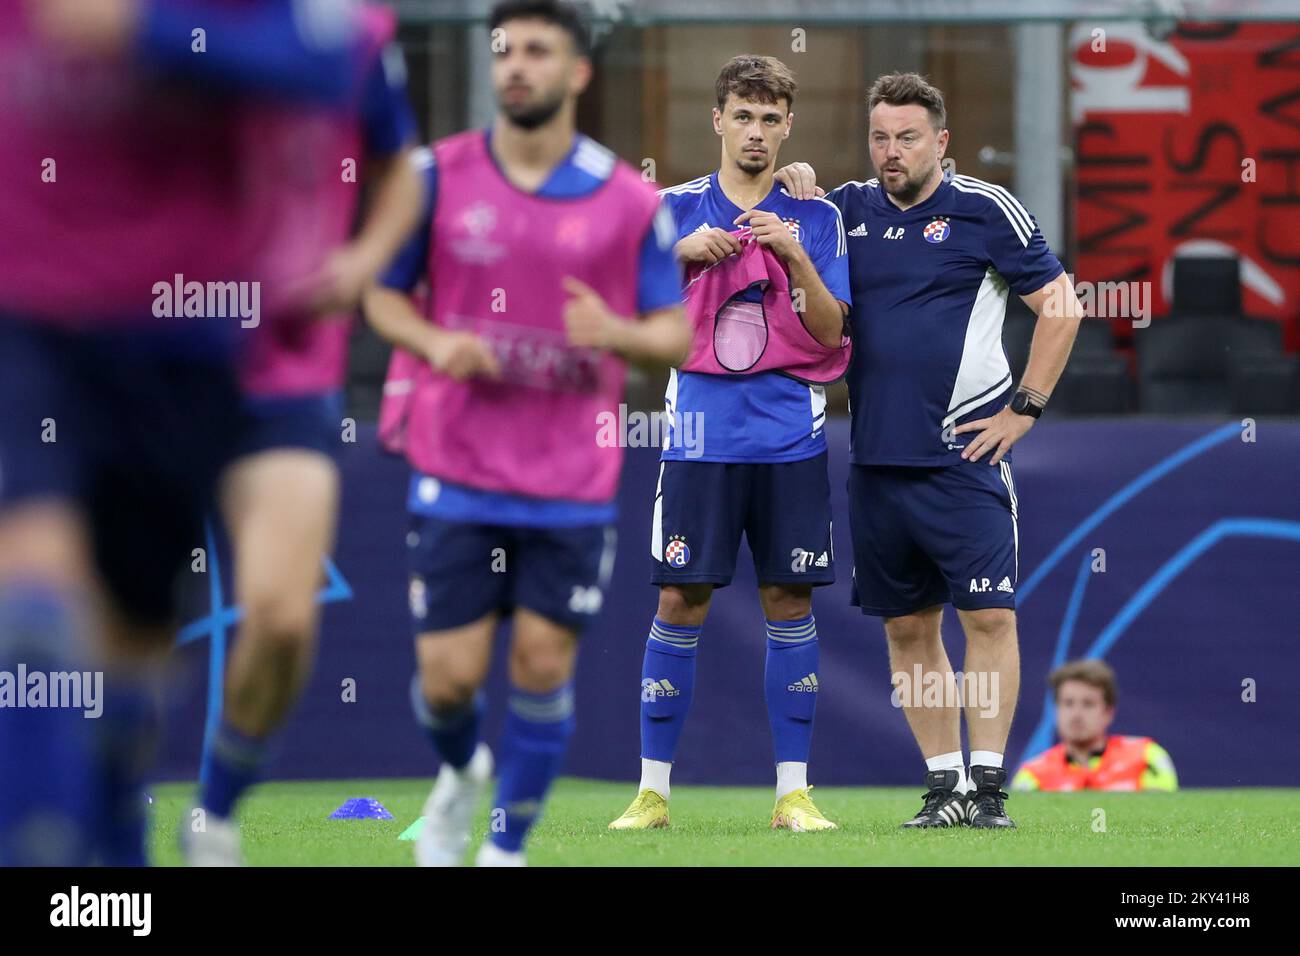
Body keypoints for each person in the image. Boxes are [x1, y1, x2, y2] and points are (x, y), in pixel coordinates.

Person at [0, 0, 361, 866]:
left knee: (129, 651)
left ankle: (117, 853)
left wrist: (142, 30)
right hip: (29, 320)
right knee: (35, 589)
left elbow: (324, 65)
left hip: (180, 338)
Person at [363, 0, 690, 866]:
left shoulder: (628, 201)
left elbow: (674, 335)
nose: (516, 65)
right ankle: (461, 769)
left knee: (542, 666)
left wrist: (615, 332)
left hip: (569, 482)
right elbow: (381, 295)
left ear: (577, 72)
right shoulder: (437, 176)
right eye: (505, 49)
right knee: (448, 683)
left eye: (539, 50)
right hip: (458, 469)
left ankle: (504, 850)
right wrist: (434, 342)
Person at [776, 71, 1084, 828]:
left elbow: (1062, 306)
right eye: (879, 137)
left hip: (964, 457)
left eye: (908, 138)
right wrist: (793, 180)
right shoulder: (846, 210)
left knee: (990, 617)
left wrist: (1025, 409)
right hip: (875, 461)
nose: (891, 151)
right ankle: (945, 787)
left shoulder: (985, 209)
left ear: (941, 142)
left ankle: (990, 789)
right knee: (908, 627)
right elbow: (777, 224)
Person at [182, 2, 426, 865]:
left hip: (282, 368)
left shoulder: (353, 31)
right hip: (135, 350)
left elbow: (403, 169)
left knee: (284, 617)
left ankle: (215, 812)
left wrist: (362, 261)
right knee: (105, 638)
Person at [608, 54, 850, 833]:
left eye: (770, 119)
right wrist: (678, 255)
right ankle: (652, 794)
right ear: (717, 120)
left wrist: (794, 252)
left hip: (790, 442)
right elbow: (621, 316)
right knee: (680, 599)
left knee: (790, 599)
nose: (755, 132)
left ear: (788, 127)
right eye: (742, 116)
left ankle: (793, 795)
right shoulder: (670, 209)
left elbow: (832, 333)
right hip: (697, 441)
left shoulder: (816, 215)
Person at [1013, 659, 1178, 792]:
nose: (1076, 714)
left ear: (1108, 712)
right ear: (1056, 710)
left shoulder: (1146, 756)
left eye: (1088, 704)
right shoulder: (1033, 774)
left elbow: (1164, 814)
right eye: (1068, 703)